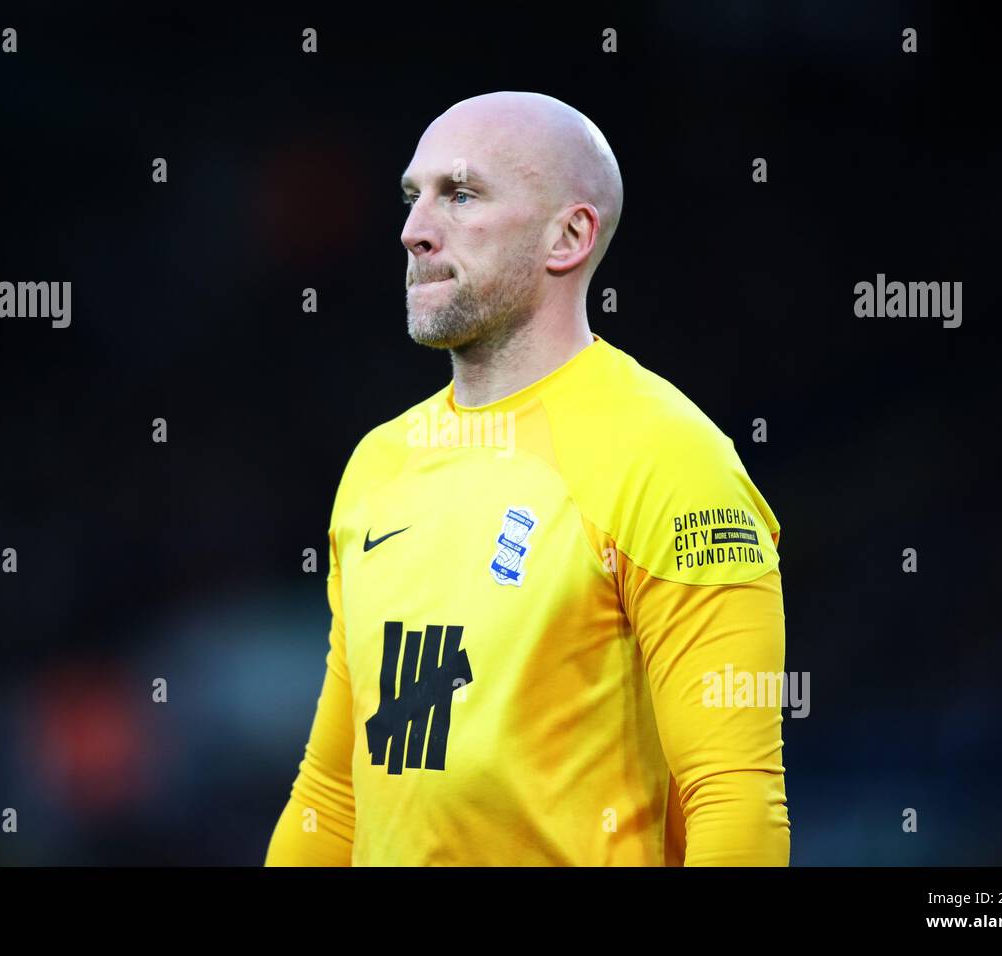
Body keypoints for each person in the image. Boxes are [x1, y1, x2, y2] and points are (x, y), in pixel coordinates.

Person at [265, 91, 789, 865]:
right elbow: (333, 792)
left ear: (568, 235)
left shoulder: (671, 461)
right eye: (414, 198)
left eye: (461, 195)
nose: (413, 231)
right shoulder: (379, 464)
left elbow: (735, 803)